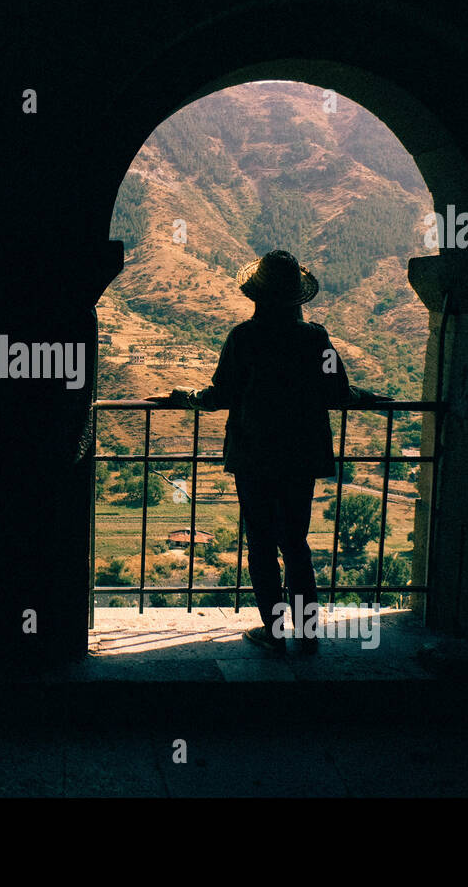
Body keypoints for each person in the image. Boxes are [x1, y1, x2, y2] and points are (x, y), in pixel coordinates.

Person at [149, 250, 386, 654]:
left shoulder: (245, 337)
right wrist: (369, 397)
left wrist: (182, 397)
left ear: (256, 295)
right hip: (301, 457)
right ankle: (308, 636)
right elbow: (338, 393)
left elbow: (220, 395)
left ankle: (274, 633)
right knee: (296, 542)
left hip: (254, 455)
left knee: (260, 542)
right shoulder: (316, 338)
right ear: (297, 298)